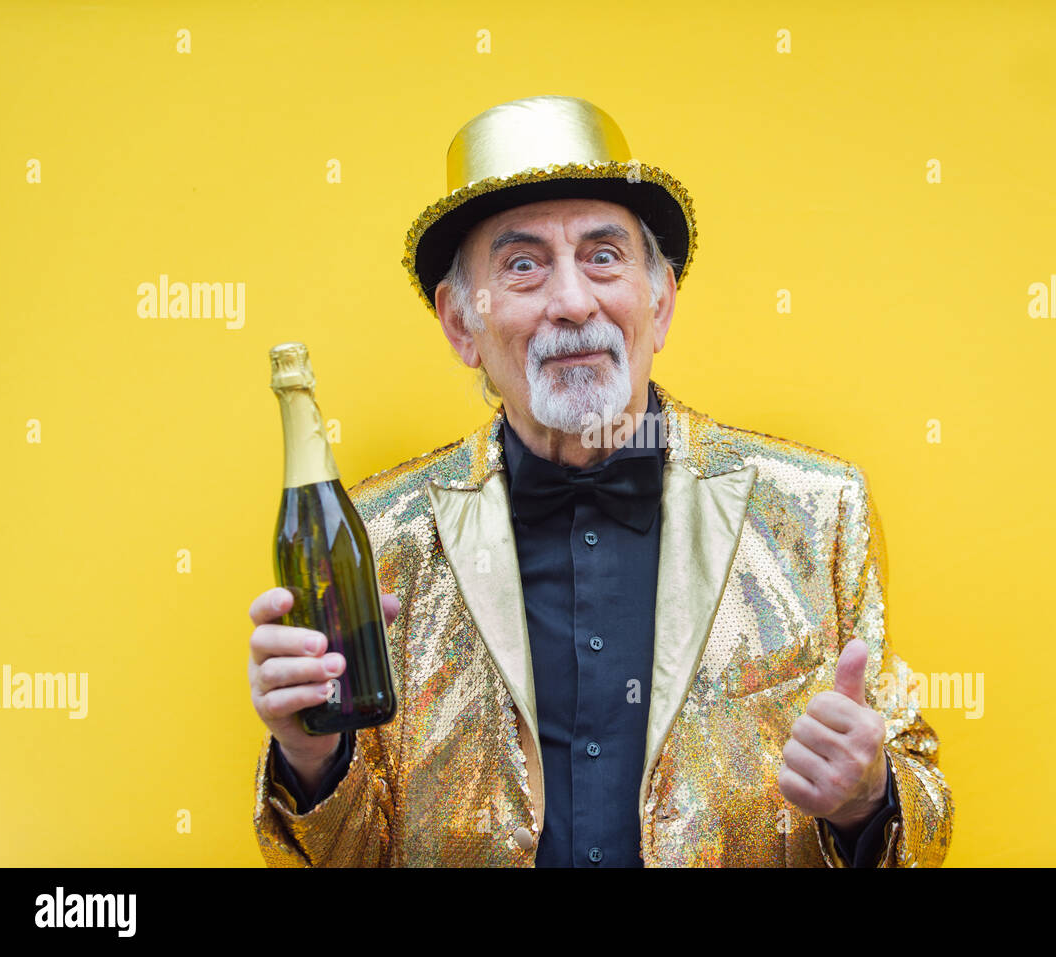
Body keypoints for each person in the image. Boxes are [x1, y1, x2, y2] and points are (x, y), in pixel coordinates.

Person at [248, 94, 953, 867]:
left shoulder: (820, 513)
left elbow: (922, 819)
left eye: (603, 256)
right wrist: (311, 758)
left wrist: (868, 796)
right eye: (523, 265)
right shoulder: (375, 539)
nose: (573, 301)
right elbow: (343, 859)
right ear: (461, 323)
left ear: (659, 298)